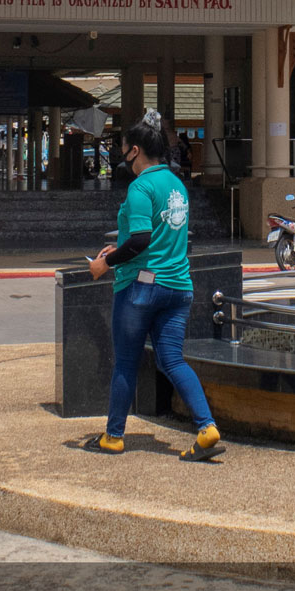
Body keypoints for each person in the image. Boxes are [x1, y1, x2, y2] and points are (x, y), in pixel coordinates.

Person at [84, 109, 222, 461]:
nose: (121, 152)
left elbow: (142, 240)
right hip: (179, 287)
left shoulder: (140, 187)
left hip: (141, 287)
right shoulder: (177, 185)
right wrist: (122, 245)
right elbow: (159, 235)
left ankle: (113, 436)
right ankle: (206, 427)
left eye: (124, 146)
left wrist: (105, 263)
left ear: (136, 152)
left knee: (126, 362)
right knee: (172, 360)